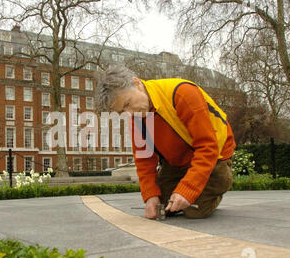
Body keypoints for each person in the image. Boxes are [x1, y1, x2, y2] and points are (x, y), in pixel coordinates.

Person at [95, 65, 236, 219]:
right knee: (162, 207)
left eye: (128, 104)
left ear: (137, 84)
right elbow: (144, 160)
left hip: (217, 157)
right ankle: (192, 187)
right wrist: (150, 196)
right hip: (178, 164)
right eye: (122, 112)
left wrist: (186, 190)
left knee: (193, 209)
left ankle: (219, 186)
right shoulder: (136, 118)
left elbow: (207, 147)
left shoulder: (182, 93)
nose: (129, 114)